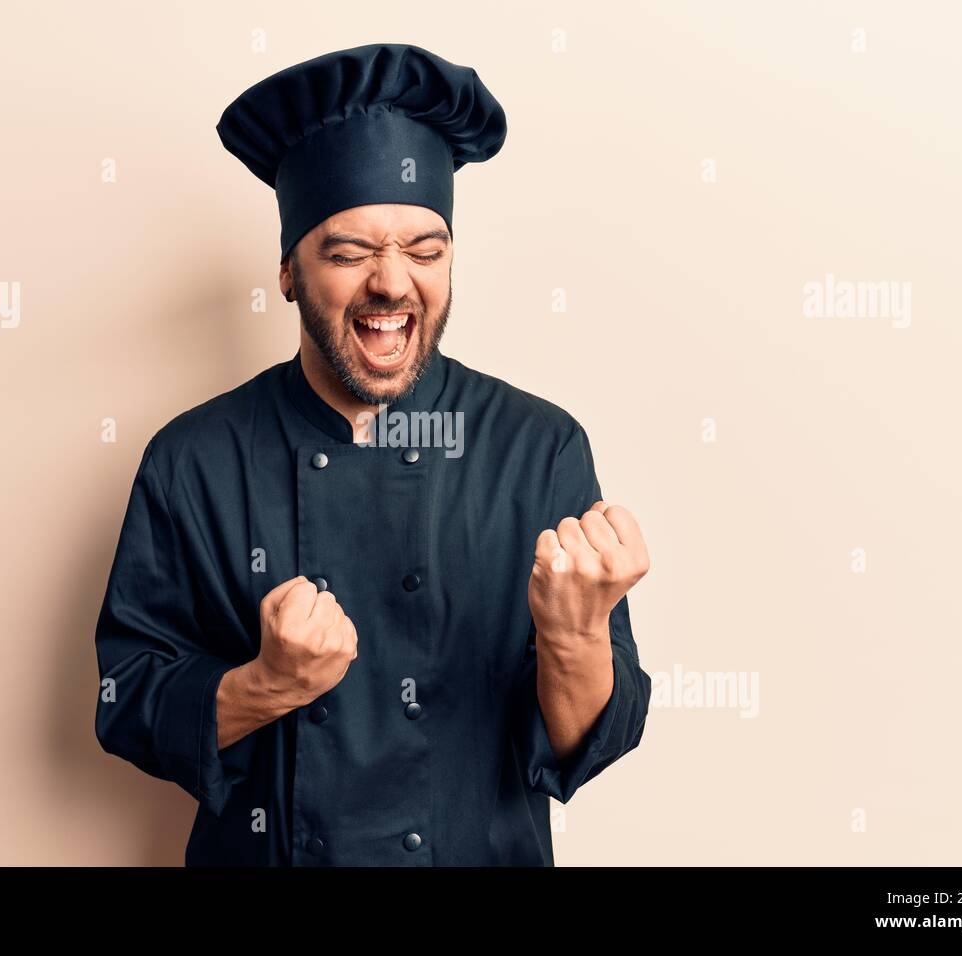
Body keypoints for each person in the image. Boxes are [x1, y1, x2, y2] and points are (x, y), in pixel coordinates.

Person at [93, 42, 652, 866]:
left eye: (425, 251)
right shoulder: (195, 459)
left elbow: (585, 745)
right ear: (287, 269)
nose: (392, 284)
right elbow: (125, 699)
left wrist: (575, 638)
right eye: (350, 253)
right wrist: (264, 686)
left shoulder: (536, 448)